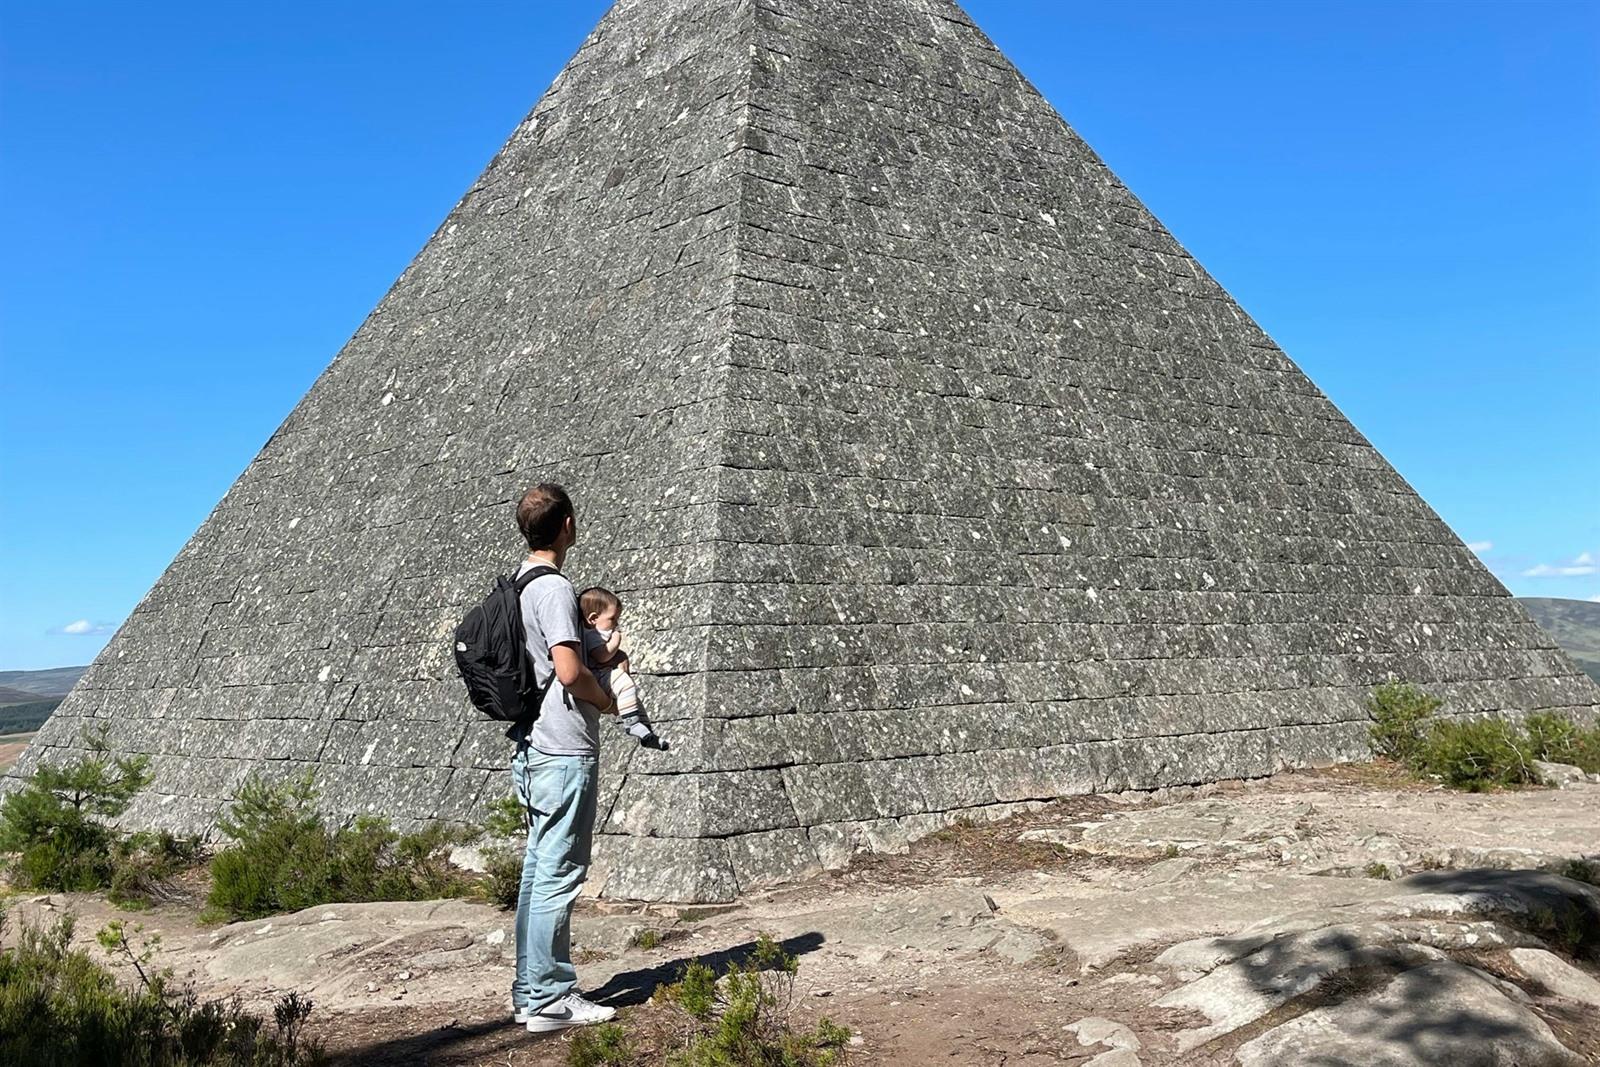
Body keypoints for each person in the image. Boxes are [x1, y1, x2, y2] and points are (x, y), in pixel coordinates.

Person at [508, 483, 619, 1033]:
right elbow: (570, 672)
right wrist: (607, 699)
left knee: (538, 869)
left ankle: (531, 991)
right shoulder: (554, 589)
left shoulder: (519, 584)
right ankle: (551, 999)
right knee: (559, 872)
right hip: (563, 747)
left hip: (534, 744)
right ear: (567, 526)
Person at [577, 586, 665, 750]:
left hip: (604, 674)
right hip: (598, 675)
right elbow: (602, 655)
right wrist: (615, 642)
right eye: (612, 619)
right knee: (626, 685)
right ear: (593, 618)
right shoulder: (592, 635)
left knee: (633, 698)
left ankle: (646, 730)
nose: (616, 624)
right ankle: (632, 724)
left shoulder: (597, 631)